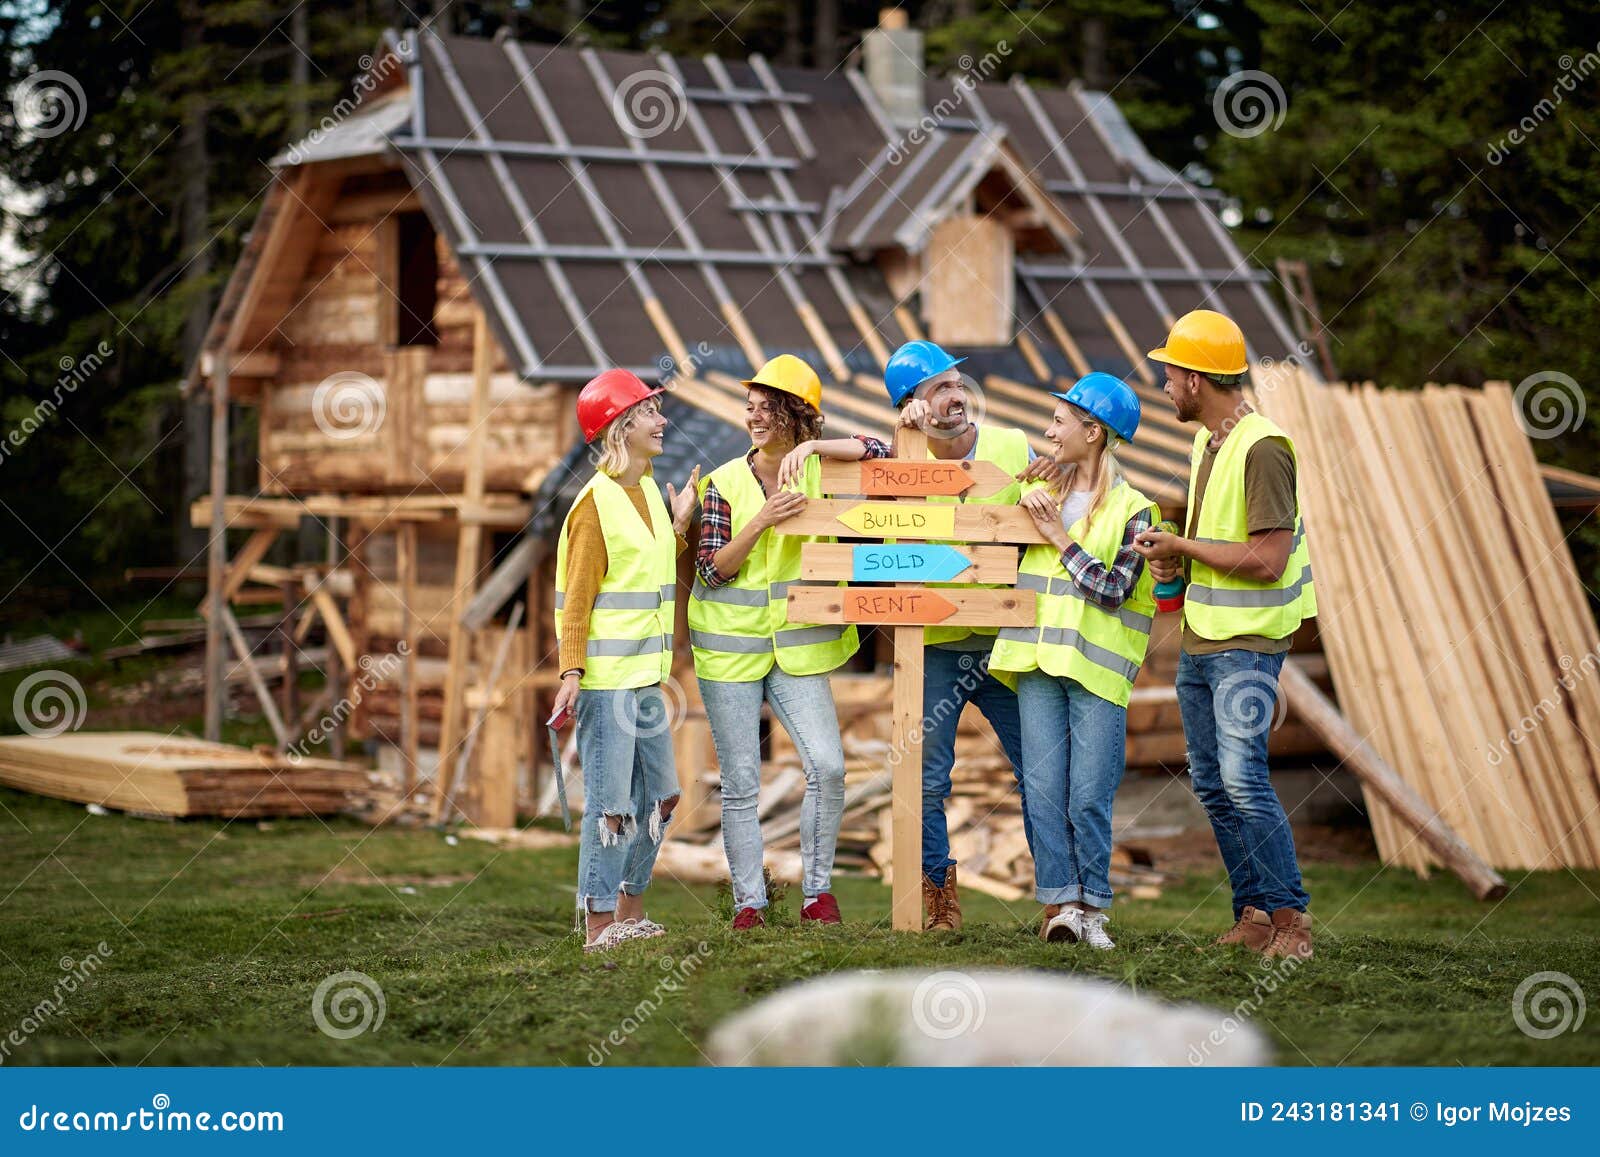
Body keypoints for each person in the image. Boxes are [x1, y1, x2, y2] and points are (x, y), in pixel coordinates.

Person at [782, 340, 1053, 931]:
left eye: (957, 383)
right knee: (925, 781)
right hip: (933, 648)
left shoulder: (1011, 447)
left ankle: (1058, 898)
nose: (956, 395)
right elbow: (861, 471)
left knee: (1040, 772)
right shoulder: (897, 461)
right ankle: (937, 897)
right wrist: (824, 445)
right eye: (940, 388)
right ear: (913, 403)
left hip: (1005, 644)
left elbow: (1055, 509)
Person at [1132, 309, 1318, 960]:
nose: (1163, 386)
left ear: (1195, 379)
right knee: (1213, 783)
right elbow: (1218, 542)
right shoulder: (1207, 443)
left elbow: (1268, 559)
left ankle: (1292, 924)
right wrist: (1175, 558)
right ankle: (1255, 914)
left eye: (1169, 375)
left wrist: (1183, 545)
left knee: (1244, 781)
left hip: (1248, 642)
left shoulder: (1262, 447)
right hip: (1204, 637)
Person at [690, 355, 861, 930]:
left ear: (796, 415)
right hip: (729, 651)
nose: (754, 417)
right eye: (751, 408)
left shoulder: (823, 472)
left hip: (798, 649)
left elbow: (882, 451)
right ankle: (750, 905)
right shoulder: (723, 482)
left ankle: (817, 895)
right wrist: (761, 520)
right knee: (741, 783)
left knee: (828, 768)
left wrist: (815, 450)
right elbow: (712, 570)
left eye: (767, 408)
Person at [990, 374, 1157, 950]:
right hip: (1036, 662)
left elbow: (1112, 591)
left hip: (1096, 673)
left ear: (1093, 432)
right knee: (1042, 791)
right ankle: (1061, 906)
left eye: (1058, 422)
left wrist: (1058, 537)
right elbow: (988, 528)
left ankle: (1093, 909)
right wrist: (1023, 503)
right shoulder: (1040, 493)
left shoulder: (1137, 510)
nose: (1048, 432)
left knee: (1087, 797)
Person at [551, 370, 698, 953]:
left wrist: (679, 525)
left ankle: (630, 913)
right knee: (610, 808)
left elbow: (650, 571)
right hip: (606, 682)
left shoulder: (649, 491)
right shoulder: (594, 507)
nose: (662, 422)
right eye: (649, 414)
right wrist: (570, 673)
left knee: (661, 798)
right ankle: (598, 927)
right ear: (620, 428)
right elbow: (577, 601)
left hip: (646, 679)